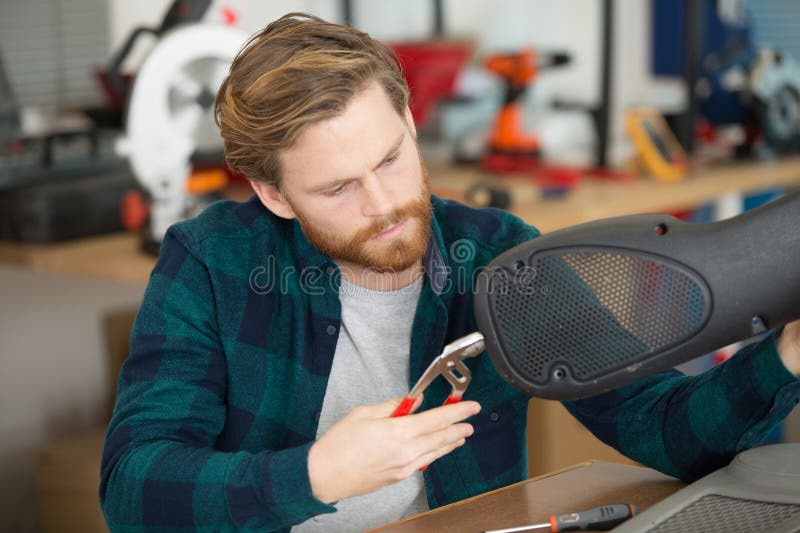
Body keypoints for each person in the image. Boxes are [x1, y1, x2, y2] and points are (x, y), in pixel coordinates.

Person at [100, 12, 800, 533]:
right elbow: (133, 488)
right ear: (273, 194)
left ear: (408, 119)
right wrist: (317, 473)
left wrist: (786, 358)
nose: (384, 207)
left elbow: (668, 432)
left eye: (390, 159)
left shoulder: (502, 257)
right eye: (338, 189)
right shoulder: (212, 260)